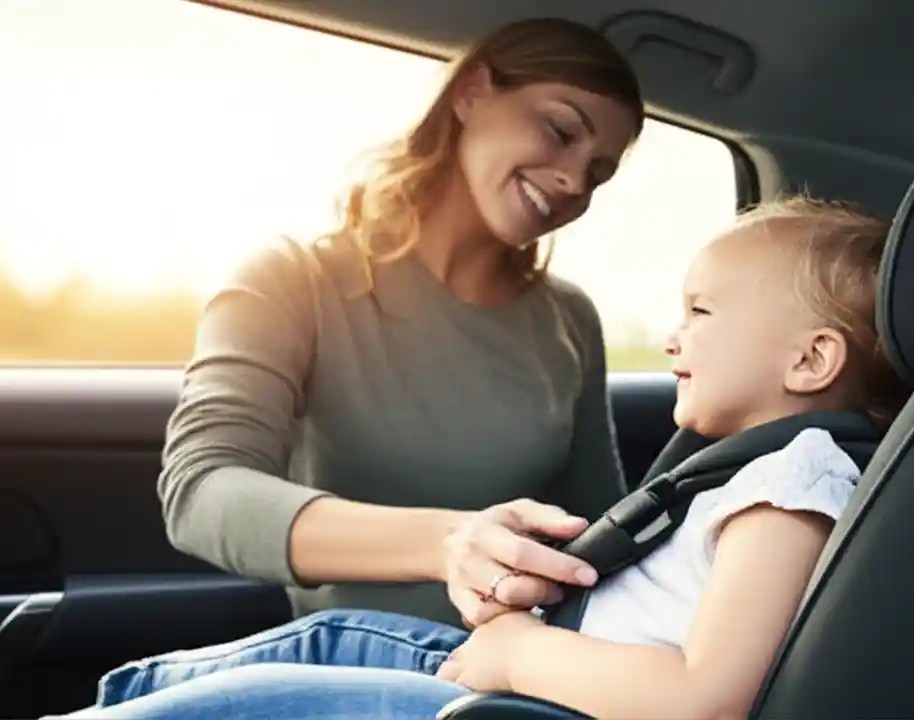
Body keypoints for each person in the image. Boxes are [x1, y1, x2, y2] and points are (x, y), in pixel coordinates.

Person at [58, 196, 911, 719]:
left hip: (538, 700)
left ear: (810, 361)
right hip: (527, 676)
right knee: (300, 647)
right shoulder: (747, 469)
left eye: (700, 312)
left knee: (229, 711)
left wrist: (517, 656)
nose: (670, 335)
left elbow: (705, 701)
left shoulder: (792, 486)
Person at [156, 17, 645, 631]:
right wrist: (446, 544)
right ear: (471, 94)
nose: (573, 180)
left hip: (524, 670)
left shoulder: (569, 320)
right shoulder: (293, 279)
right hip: (353, 662)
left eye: (598, 172)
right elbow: (200, 493)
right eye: (559, 130)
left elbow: (598, 533)